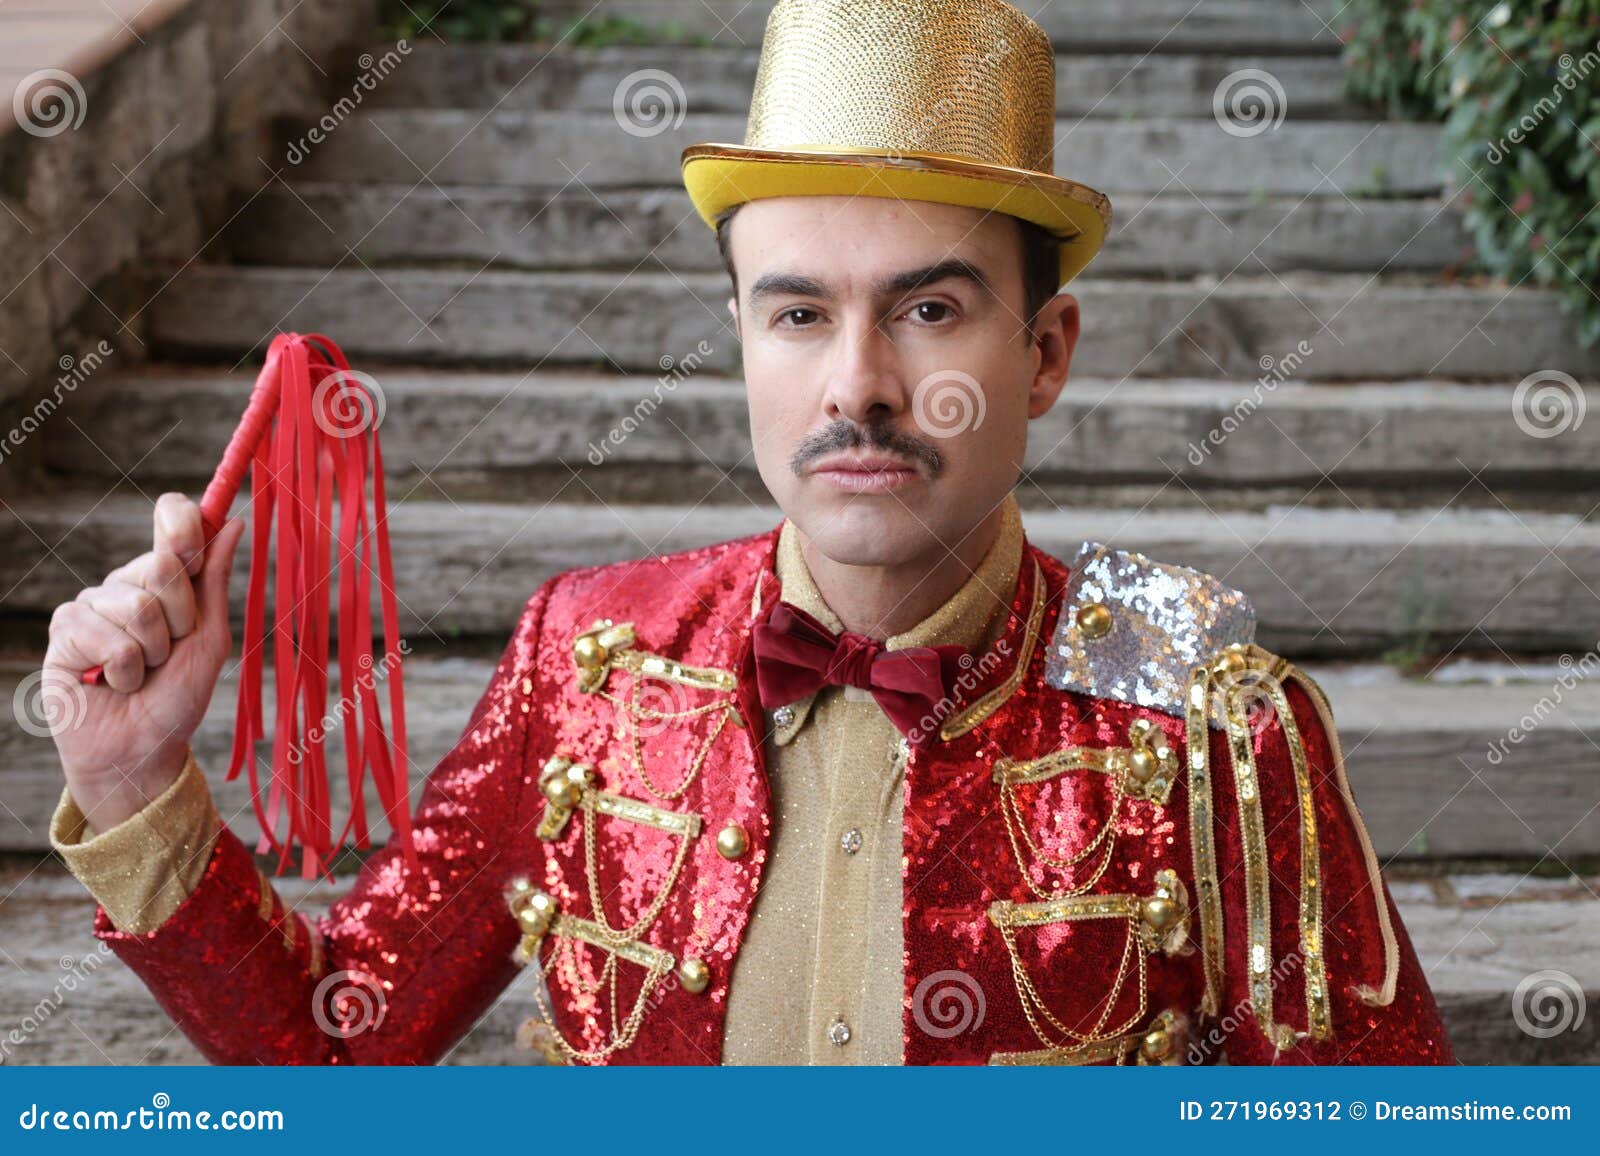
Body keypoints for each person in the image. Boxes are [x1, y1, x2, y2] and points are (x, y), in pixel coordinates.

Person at [43, 0, 1452, 1065]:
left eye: (929, 308)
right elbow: (342, 1052)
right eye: (798, 313)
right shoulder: (588, 658)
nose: (857, 385)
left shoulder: (1203, 712)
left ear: (1047, 350)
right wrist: (134, 781)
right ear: (738, 339)